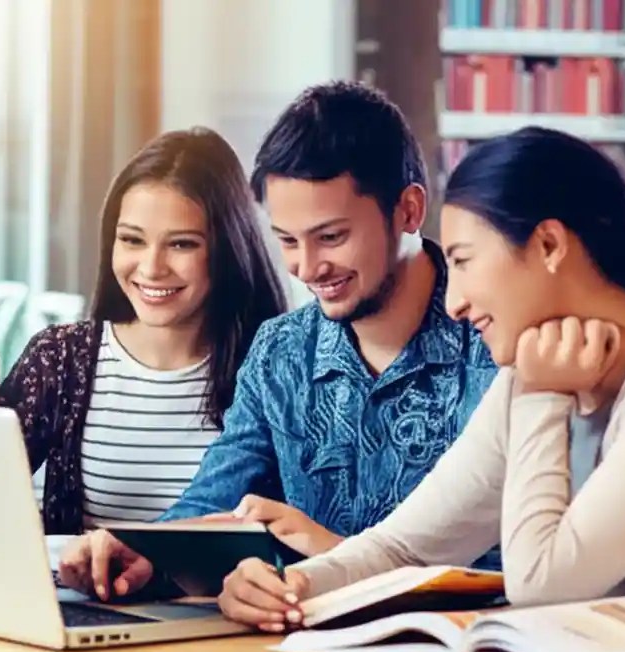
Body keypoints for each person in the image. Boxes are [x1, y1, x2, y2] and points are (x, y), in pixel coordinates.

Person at [215, 126, 625, 644]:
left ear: (547, 244)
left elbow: (546, 581)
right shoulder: (529, 378)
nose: (453, 302)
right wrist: (290, 585)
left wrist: (543, 397)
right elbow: (407, 546)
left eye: (462, 261)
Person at [58, 81, 498, 602]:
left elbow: (517, 569)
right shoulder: (281, 351)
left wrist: (332, 556)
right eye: (288, 240)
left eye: (331, 237)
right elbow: (212, 501)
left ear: (407, 209)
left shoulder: (493, 338)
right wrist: (142, 553)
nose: (307, 268)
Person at [0, 127, 287, 534]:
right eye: (132, 240)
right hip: (78, 596)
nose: (151, 268)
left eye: (181, 244)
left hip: (220, 599)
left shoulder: (274, 372)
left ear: (228, 248)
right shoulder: (61, 359)